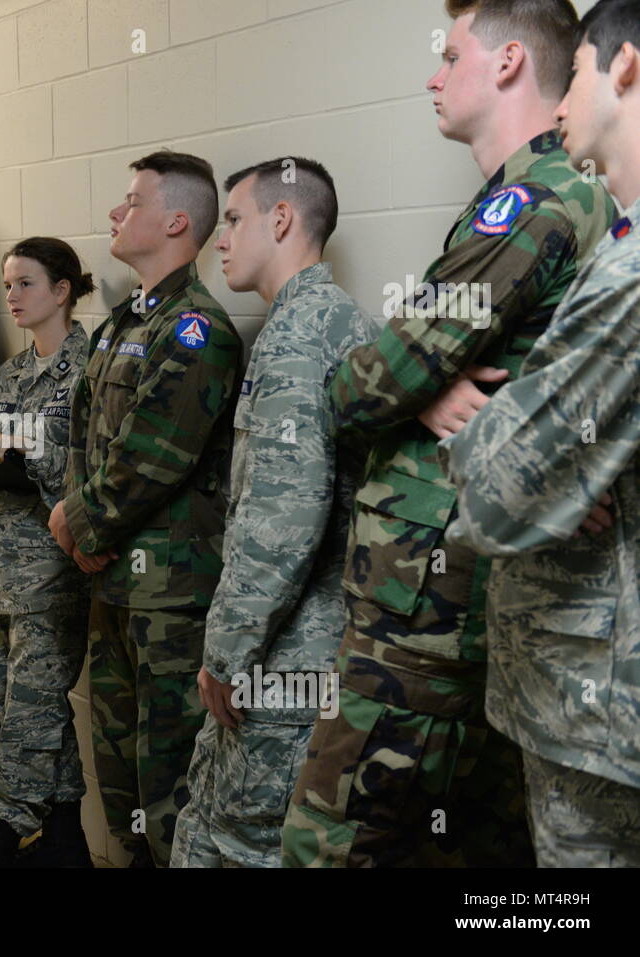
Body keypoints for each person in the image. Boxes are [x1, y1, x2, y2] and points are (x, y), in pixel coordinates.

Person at [281, 0, 615, 868]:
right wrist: (419, 389)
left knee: (328, 844)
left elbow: (362, 385)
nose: (434, 76)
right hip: (469, 591)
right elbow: (413, 371)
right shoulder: (548, 194)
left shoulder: (534, 200)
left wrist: (400, 387)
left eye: (452, 54)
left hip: (429, 604)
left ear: (508, 63)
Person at [441, 0, 640, 867]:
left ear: (625, 68)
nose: (561, 108)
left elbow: (495, 488)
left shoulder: (630, 269)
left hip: (600, 708)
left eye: (582, 78)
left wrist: (490, 436)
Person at [170, 159, 377, 868]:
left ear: (281, 220)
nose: (218, 239)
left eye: (233, 220)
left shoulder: (298, 335)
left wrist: (227, 653)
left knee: (242, 842)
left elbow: (283, 521)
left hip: (289, 654)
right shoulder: (321, 318)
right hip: (300, 646)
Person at [48, 150, 243, 867]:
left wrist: (82, 523)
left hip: (169, 595)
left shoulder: (198, 330)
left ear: (176, 220)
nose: (115, 213)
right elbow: (83, 431)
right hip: (110, 585)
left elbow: (155, 452)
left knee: (170, 783)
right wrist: (75, 523)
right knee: (120, 769)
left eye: (131, 201)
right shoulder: (123, 321)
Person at [0, 238, 95, 868]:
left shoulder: (91, 368)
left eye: (26, 284)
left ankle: (2, 832)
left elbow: (96, 469)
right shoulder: (8, 376)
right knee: (20, 703)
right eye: (8, 286)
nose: (12, 297)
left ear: (62, 290)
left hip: (49, 569)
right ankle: (67, 836)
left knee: (28, 714)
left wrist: (24, 454)